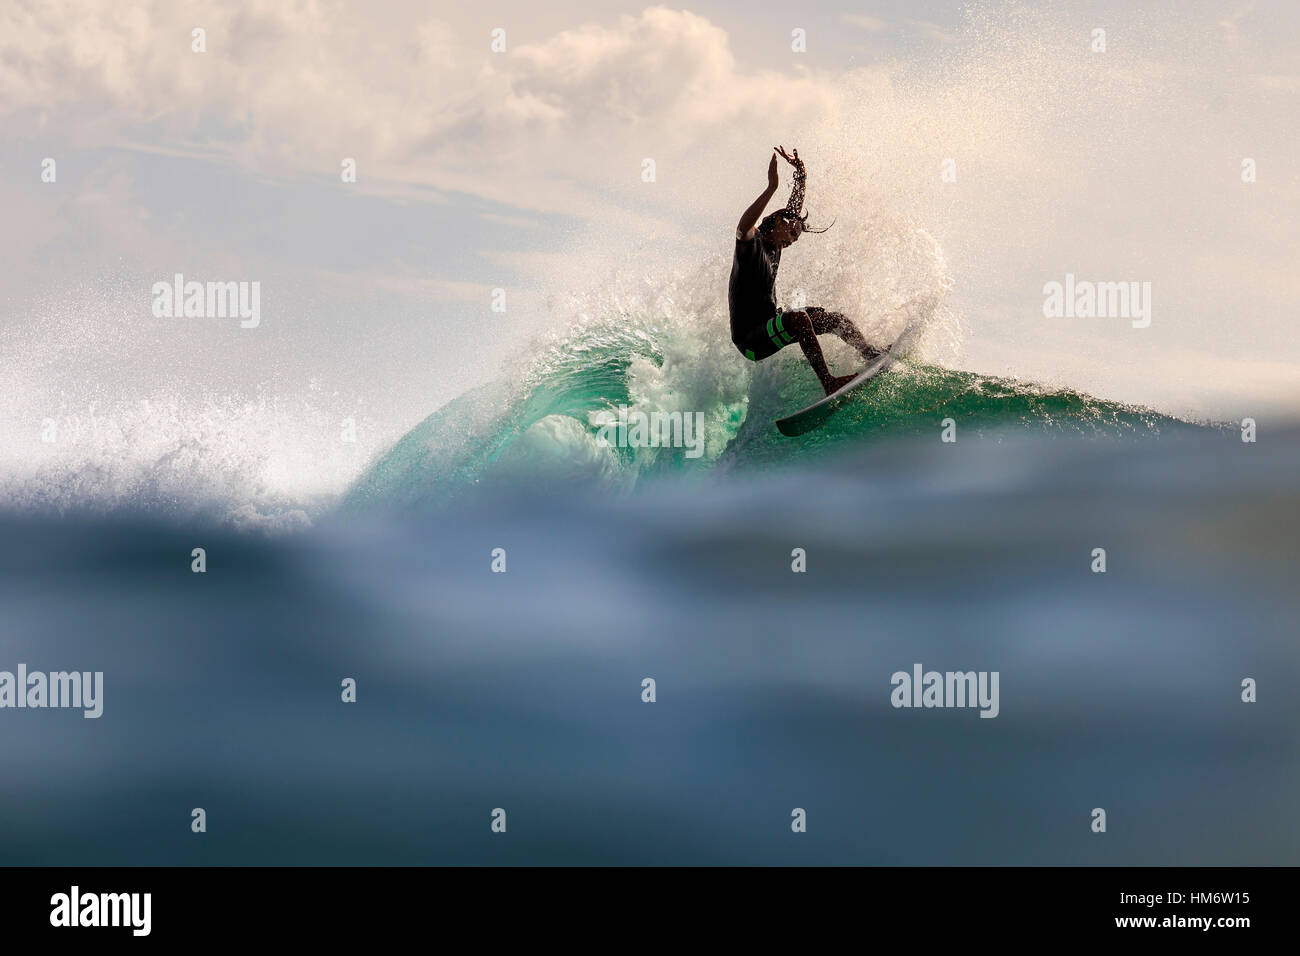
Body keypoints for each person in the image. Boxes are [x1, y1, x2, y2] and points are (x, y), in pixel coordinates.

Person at [728, 146, 882, 395]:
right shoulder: (751, 245)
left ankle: (871, 354)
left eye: (795, 239)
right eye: (790, 234)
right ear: (777, 222)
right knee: (799, 319)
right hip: (750, 340)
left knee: (834, 319)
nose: (791, 241)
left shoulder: (776, 247)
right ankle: (829, 383)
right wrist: (771, 188)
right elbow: (742, 227)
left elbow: (794, 212)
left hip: (768, 324)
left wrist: (801, 173)